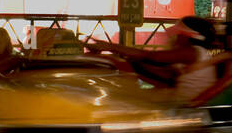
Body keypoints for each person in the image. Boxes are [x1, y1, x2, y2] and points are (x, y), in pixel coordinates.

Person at [90, 15, 224, 106]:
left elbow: (152, 57)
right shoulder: (196, 54)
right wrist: (131, 61)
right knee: (128, 96)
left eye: (177, 35)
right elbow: (165, 76)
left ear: (186, 37)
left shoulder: (192, 52)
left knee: (124, 101)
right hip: (180, 100)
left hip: (184, 106)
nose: (173, 39)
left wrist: (110, 46)